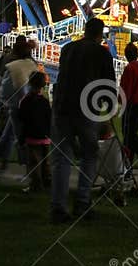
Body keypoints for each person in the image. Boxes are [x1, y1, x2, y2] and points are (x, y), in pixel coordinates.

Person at [49, 17, 114, 223]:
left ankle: (58, 207)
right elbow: (108, 84)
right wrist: (108, 113)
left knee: (61, 158)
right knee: (89, 154)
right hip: (86, 108)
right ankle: (83, 201)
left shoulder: (67, 49)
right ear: (100, 34)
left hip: (62, 107)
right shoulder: (101, 52)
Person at [0, 38, 39, 173]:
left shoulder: (12, 66)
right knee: (10, 134)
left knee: (21, 137)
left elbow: (5, 88)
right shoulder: (33, 64)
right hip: (31, 104)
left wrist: (4, 99)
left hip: (17, 106)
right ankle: (4, 161)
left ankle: (30, 170)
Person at [17, 71, 51, 193]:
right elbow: (49, 118)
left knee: (34, 163)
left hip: (32, 137)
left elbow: (22, 119)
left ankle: (36, 186)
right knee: (45, 162)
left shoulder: (25, 101)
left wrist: (22, 137)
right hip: (45, 136)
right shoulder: (45, 102)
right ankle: (47, 181)